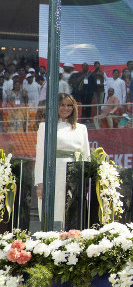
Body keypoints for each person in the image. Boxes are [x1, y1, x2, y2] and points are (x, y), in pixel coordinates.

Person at [35, 93, 91, 227]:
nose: (66, 108)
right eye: (62, 105)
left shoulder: (81, 128)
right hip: (54, 173)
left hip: (75, 174)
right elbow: (40, 156)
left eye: (69, 105)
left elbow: (86, 155)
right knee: (55, 209)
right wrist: (40, 183)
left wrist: (88, 182)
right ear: (56, 107)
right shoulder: (45, 127)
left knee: (74, 210)